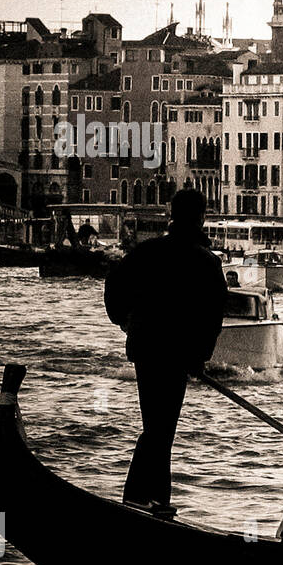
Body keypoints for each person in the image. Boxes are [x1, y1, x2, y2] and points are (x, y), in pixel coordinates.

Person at [104, 187, 227, 515]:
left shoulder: (147, 252)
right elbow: (213, 316)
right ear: (201, 218)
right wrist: (200, 357)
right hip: (176, 356)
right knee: (161, 428)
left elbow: (114, 284)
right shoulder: (207, 262)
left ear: (172, 214)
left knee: (158, 427)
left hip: (147, 350)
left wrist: (123, 320)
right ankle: (147, 500)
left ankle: (151, 500)